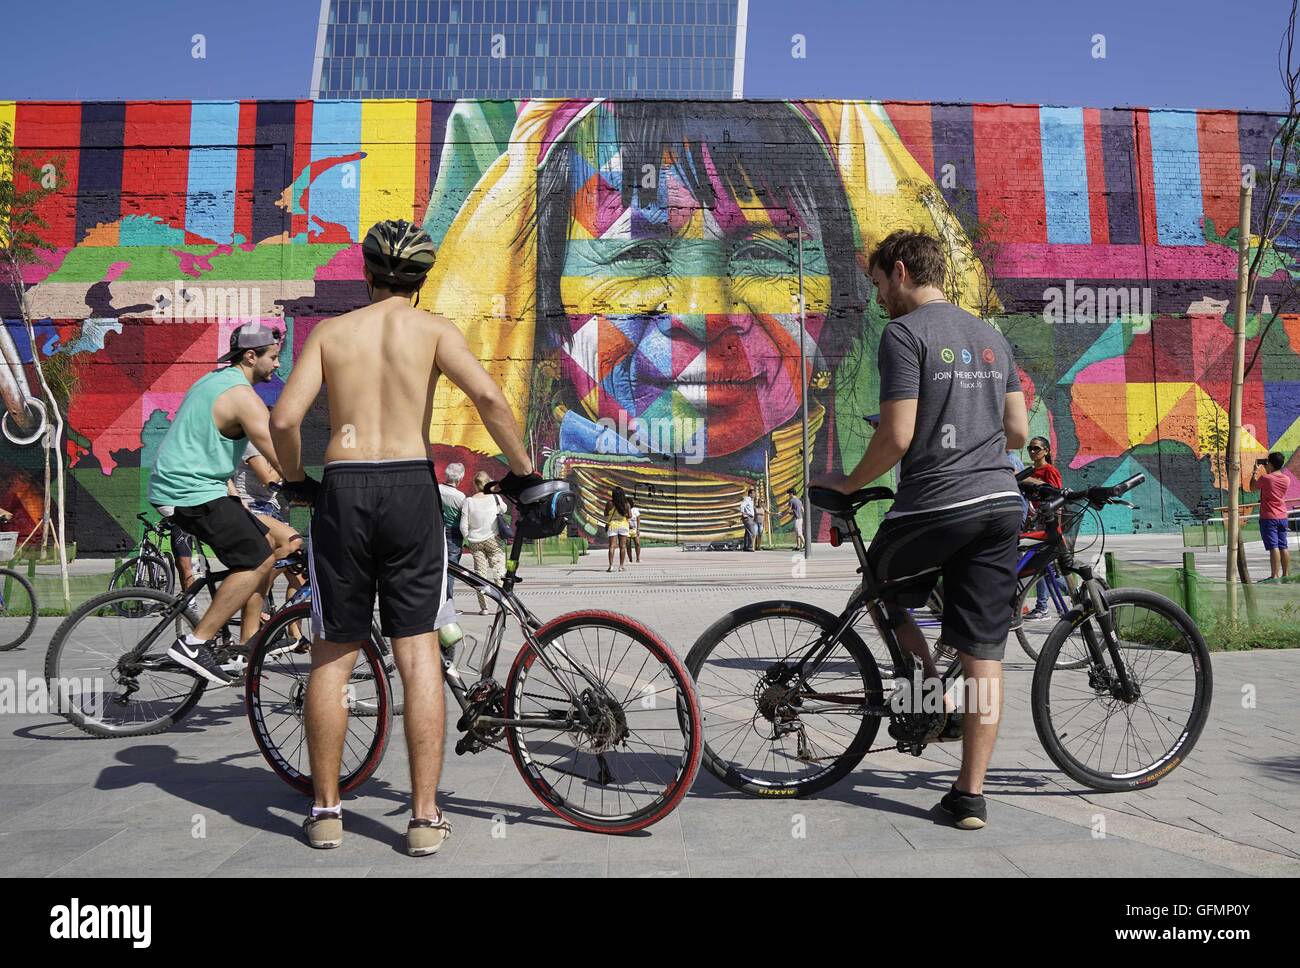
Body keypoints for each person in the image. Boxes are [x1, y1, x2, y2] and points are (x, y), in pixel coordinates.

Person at [269, 219, 537, 857]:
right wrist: (523, 472)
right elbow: (490, 397)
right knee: (418, 655)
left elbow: (283, 417)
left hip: (344, 489)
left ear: (367, 275)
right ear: (420, 281)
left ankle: (327, 812)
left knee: (333, 655)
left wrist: (296, 480)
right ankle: (422, 818)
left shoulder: (332, 334)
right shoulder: (434, 330)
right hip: (412, 493)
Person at [814, 230, 1028, 831]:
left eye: (880, 283)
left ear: (901, 271)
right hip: (1000, 504)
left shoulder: (903, 335)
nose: (879, 297)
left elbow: (897, 437)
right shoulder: (991, 335)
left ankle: (929, 695)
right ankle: (969, 796)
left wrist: (849, 486)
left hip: (938, 502)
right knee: (985, 652)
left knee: (878, 589)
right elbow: (1016, 431)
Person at [147, 322, 296, 685]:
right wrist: (306, 483)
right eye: (273, 357)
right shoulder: (240, 395)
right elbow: (273, 445)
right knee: (257, 559)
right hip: (191, 492)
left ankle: (243, 645)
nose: (277, 365)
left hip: (197, 488)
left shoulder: (213, 381)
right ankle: (195, 643)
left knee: (269, 546)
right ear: (251, 356)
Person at [230, 441, 306, 644]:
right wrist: (286, 460)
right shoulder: (253, 443)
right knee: (293, 543)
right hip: (254, 508)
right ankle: (257, 588)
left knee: (300, 580)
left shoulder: (273, 446)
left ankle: (296, 636)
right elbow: (268, 479)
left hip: (272, 509)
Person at [1023, 436, 1066, 619]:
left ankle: (1042, 607)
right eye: (1030, 449)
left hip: (1047, 524)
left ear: (1046, 451)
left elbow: (1058, 498)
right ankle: (1079, 593)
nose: (1033, 452)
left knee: (1042, 566)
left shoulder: (1049, 470)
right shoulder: (1031, 471)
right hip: (1035, 523)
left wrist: (1055, 526)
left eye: (1036, 449)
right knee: (1046, 569)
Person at [461, 470, 510, 613]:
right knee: (499, 572)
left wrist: (468, 539)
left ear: (475, 485)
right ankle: (505, 605)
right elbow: (504, 509)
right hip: (493, 540)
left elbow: (463, 525)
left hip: (475, 542)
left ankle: (484, 608)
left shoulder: (469, 501)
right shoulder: (494, 498)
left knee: (480, 574)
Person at [1249, 452, 1293, 581]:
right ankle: (1286, 574)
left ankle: (1274, 575)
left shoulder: (1266, 478)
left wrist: (1255, 472)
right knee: (1283, 546)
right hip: (1282, 516)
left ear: (1271, 464)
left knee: (1273, 547)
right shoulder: (1287, 479)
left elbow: (1252, 487)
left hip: (1269, 517)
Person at [439, 462, 467, 600]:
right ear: (460, 478)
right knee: (451, 570)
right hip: (454, 536)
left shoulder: (436, 490)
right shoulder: (460, 497)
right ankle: (447, 600)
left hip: (436, 533)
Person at [604, 486, 632, 572]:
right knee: (622, 547)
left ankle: (611, 566)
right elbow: (630, 516)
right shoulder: (626, 504)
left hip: (613, 525)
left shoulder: (609, 503)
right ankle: (621, 566)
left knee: (612, 546)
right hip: (623, 525)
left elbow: (605, 514)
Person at [627, 497, 642, 563]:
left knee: (637, 543)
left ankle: (638, 558)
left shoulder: (635, 510)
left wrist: (638, 529)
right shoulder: (624, 510)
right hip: (627, 530)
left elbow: (638, 519)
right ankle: (630, 559)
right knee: (628, 545)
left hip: (634, 529)